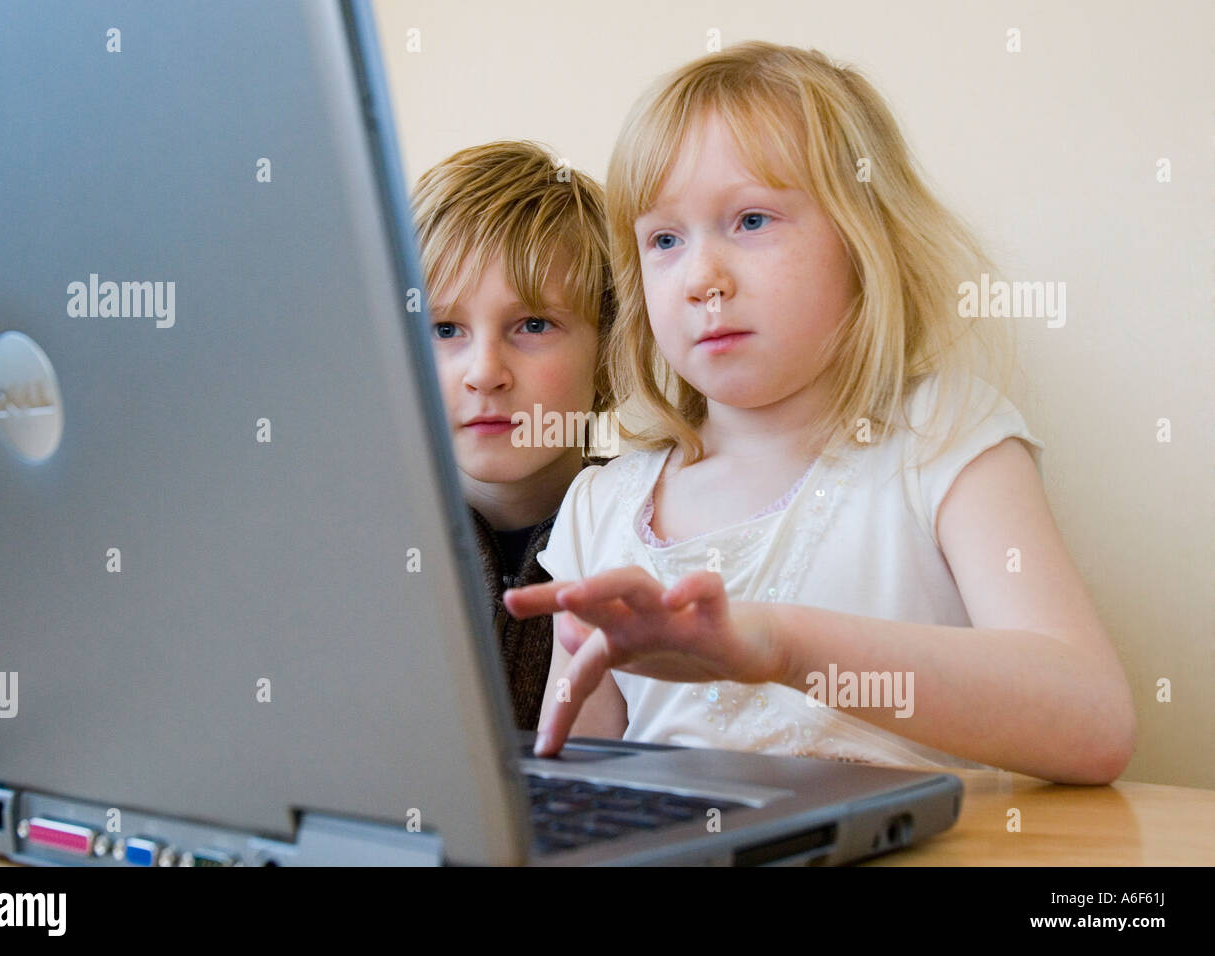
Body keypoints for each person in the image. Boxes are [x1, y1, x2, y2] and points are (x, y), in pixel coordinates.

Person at [505, 43, 1135, 784]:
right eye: (665, 240)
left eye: (751, 220)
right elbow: (576, 778)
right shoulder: (602, 509)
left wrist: (781, 644)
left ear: (864, 242)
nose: (703, 277)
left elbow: (1094, 721)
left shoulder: (941, 438)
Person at [411, 141, 615, 731]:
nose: (483, 372)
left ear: (612, 352)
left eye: (532, 325)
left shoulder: (653, 532)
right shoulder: (357, 549)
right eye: (444, 328)